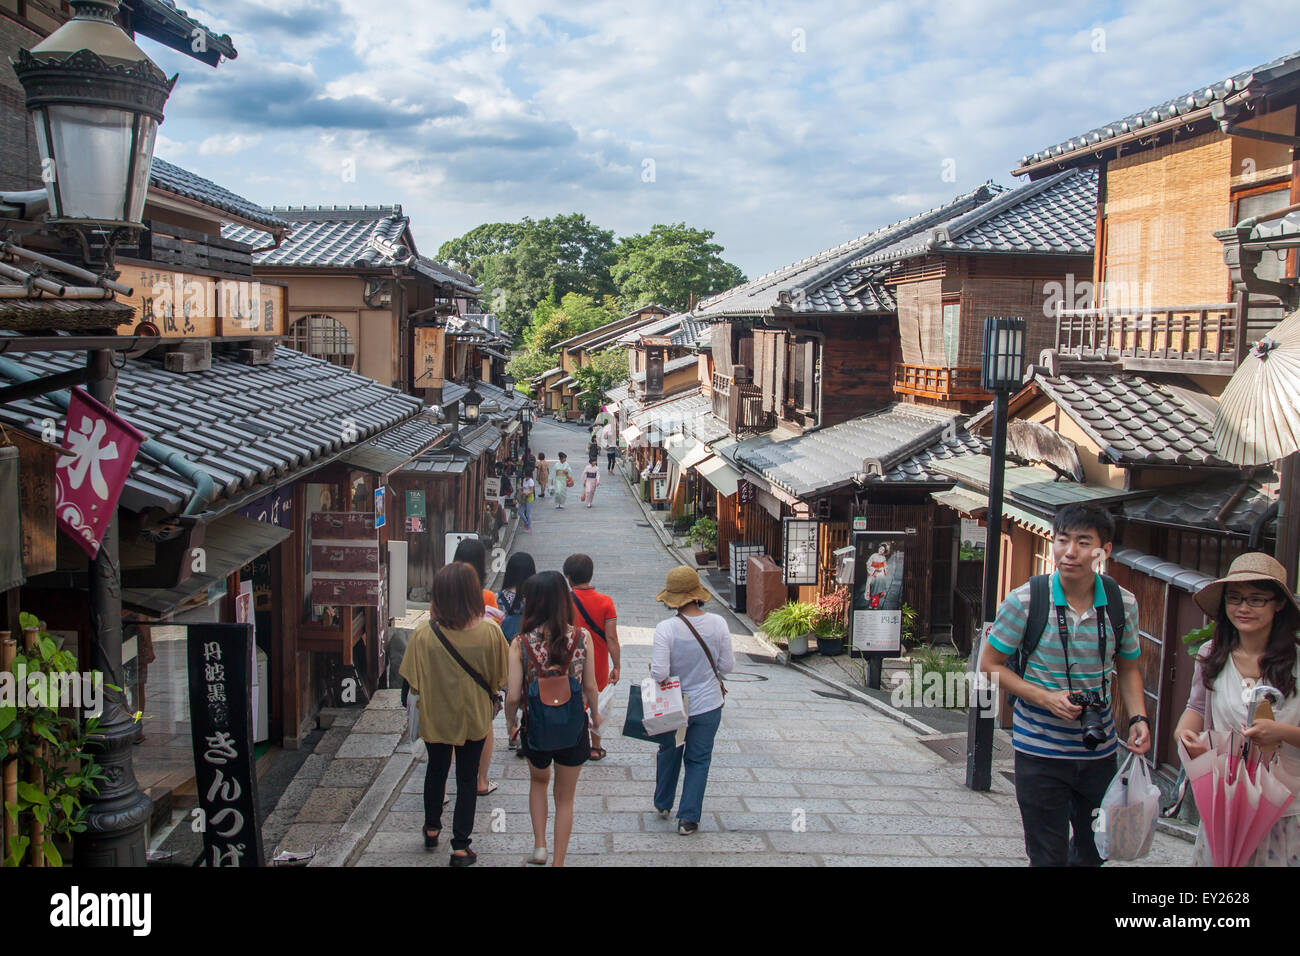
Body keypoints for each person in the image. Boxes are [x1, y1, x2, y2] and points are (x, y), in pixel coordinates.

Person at [977, 503, 1149, 867]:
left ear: (1105, 550)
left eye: (1084, 542)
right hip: (1039, 751)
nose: (1070, 552)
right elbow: (990, 665)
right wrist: (1046, 698)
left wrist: (1138, 719)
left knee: (1094, 852)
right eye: (1062, 540)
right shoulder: (1025, 601)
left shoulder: (1122, 605)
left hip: (1098, 750)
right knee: (1047, 855)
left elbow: (1129, 669)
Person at [1175, 552, 1300, 866]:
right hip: (1228, 800)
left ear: (1279, 603)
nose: (1243, 608)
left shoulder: (1298, 662)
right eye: (1235, 599)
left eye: (1256, 599)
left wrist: (1280, 732)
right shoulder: (1212, 653)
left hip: (1288, 807)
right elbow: (1196, 706)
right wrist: (1185, 733)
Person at [399, 562, 509, 867]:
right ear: (474, 594)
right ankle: (460, 846)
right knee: (466, 778)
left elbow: (411, 679)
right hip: (474, 717)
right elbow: (501, 678)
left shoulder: (423, 633)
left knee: (436, 770)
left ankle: (432, 828)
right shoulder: (490, 632)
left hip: (436, 716)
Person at [505, 571, 602, 866]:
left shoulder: (520, 643)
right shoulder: (581, 638)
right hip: (573, 726)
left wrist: (511, 723)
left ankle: (539, 846)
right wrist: (596, 716)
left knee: (538, 783)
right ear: (563, 600)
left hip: (537, 726)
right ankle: (559, 862)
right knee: (566, 797)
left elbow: (511, 695)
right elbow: (590, 687)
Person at [650, 566, 733, 835]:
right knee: (699, 760)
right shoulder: (718, 624)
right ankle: (688, 819)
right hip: (709, 704)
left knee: (669, 753)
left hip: (675, 705)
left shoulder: (666, 629)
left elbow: (660, 673)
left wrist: (654, 668)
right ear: (697, 595)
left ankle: (663, 803)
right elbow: (727, 666)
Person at [452, 537, 504, 794]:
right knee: (484, 725)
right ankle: (481, 781)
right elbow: (495, 632)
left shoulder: (443, 593)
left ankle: (441, 791)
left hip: (448, 671)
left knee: (447, 729)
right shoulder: (485, 596)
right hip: (478, 673)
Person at [564, 553, 620, 760]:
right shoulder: (606, 602)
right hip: (598, 660)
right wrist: (617, 665)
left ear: (568, 578)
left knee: (573, 698)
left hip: (571, 659)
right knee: (598, 699)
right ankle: (595, 746)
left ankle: (572, 741)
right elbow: (612, 638)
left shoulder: (565, 601)